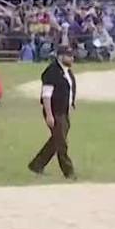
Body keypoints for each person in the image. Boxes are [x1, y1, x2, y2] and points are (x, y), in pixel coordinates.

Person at [29, 46, 78, 180]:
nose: (72, 58)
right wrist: (49, 115)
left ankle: (37, 164)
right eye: (69, 55)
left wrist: (71, 104)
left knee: (56, 141)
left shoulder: (67, 71)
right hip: (55, 112)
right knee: (62, 143)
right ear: (60, 56)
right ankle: (69, 172)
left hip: (64, 111)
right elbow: (46, 96)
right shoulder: (52, 72)